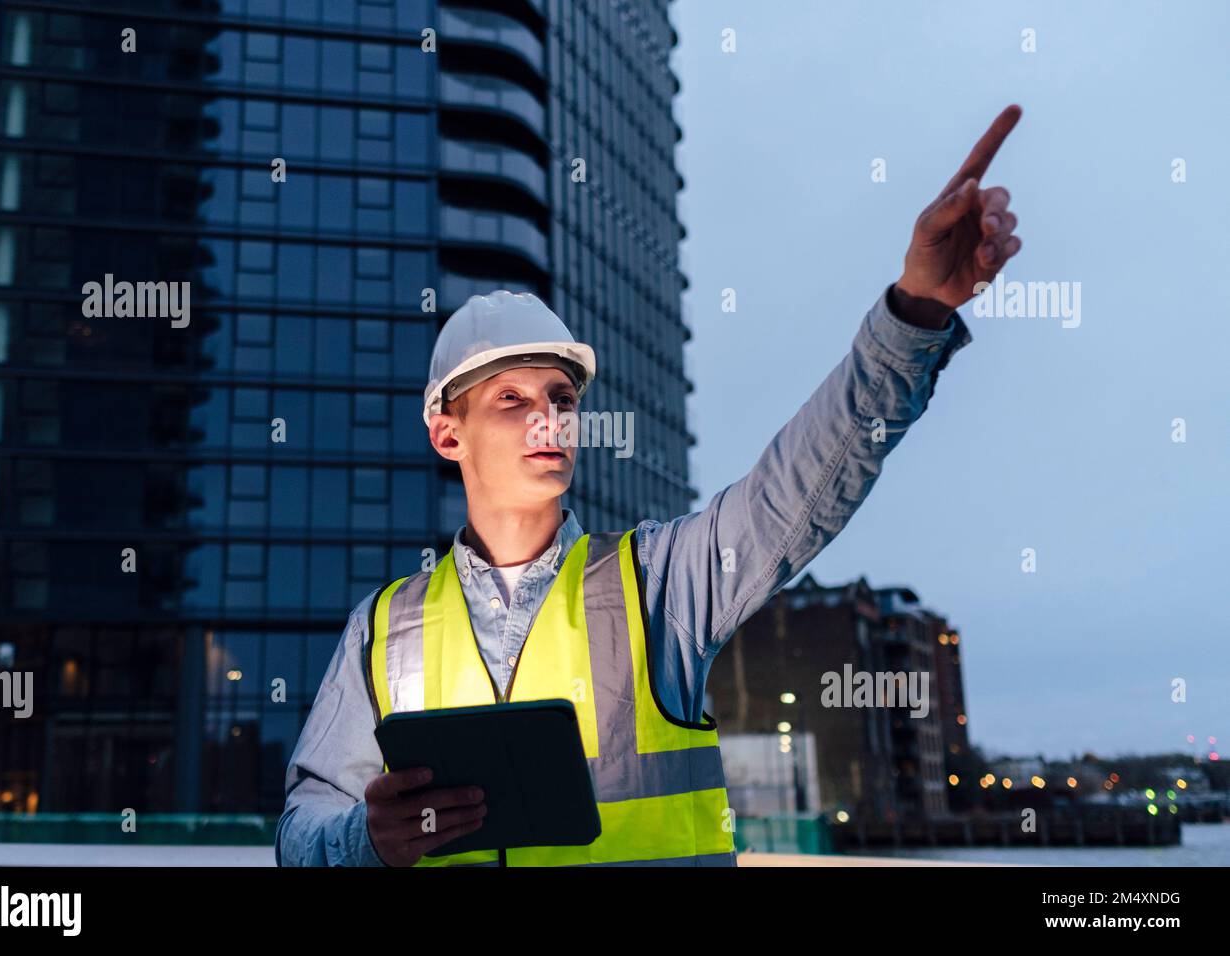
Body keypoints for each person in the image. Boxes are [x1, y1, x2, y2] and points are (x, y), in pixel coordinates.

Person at [276, 105, 1024, 867]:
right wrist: (363, 840)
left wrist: (917, 310)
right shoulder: (383, 628)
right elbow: (301, 835)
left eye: (561, 399)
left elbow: (802, 482)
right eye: (512, 399)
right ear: (447, 434)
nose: (549, 420)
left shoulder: (658, 582)